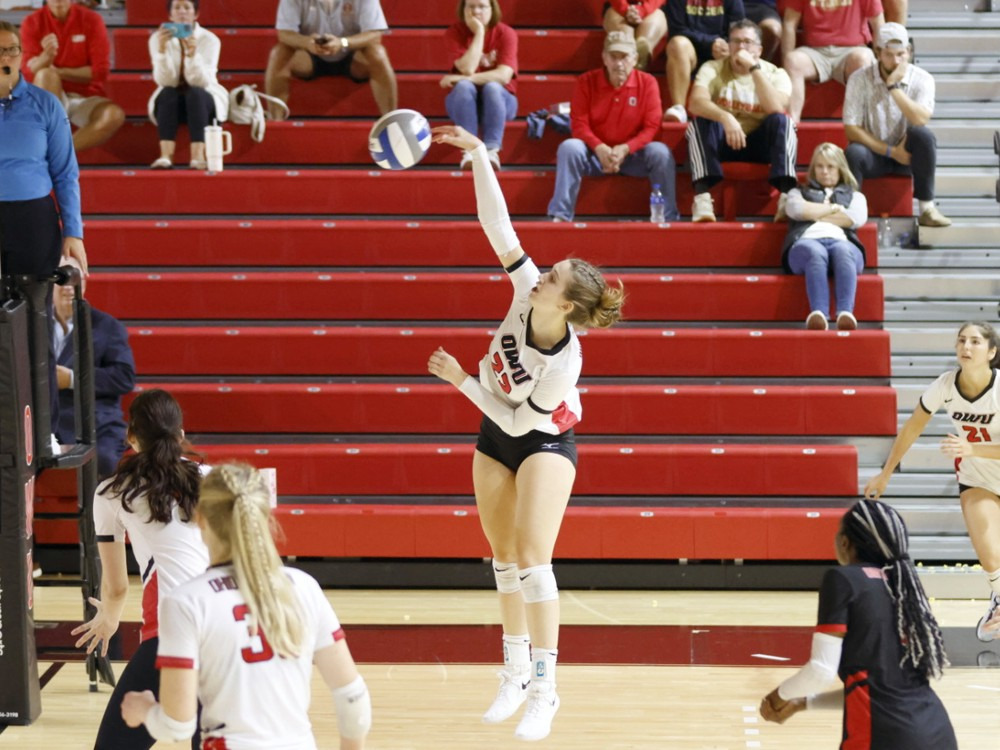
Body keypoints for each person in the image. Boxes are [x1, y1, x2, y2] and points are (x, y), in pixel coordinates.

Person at [428, 123, 625, 741]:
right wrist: (479, 155)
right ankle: (512, 669)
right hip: (496, 430)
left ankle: (546, 685)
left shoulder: (565, 362)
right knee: (504, 560)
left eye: (552, 277)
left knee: (535, 561)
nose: (541, 274)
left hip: (542, 440)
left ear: (565, 305)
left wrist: (462, 380)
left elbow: (520, 419)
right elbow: (498, 227)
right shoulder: (523, 290)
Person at [120, 463, 372, 749]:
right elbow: (353, 699)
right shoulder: (304, 587)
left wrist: (144, 710)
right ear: (263, 515)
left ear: (200, 518)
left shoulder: (185, 602)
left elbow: (178, 726)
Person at [70, 389, 209, 750]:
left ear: (131, 438)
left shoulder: (111, 492)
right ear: (180, 435)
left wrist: (109, 619)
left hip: (172, 632)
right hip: (228, 631)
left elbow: (116, 587)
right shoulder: (212, 478)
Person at [759, 500, 957, 749]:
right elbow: (877, 689)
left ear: (844, 542)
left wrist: (778, 696)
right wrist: (802, 703)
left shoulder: (842, 579)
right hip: (937, 732)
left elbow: (821, 670)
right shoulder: (903, 585)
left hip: (883, 736)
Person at [864, 321, 1000, 643]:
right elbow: (911, 428)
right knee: (989, 554)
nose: (966, 347)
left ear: (992, 352)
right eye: (961, 341)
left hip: (987, 456)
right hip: (977, 476)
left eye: (975, 342)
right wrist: (885, 474)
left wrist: (972, 447)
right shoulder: (944, 385)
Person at [547, 29, 678, 223]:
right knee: (569, 147)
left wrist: (625, 148)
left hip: (633, 155)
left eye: (624, 57)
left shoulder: (648, 83)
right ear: (604, 58)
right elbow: (579, 124)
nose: (618, 63)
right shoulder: (586, 82)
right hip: (594, 154)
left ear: (634, 59)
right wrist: (599, 148)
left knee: (660, 152)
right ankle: (560, 215)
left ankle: (667, 218)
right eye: (613, 57)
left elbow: (652, 127)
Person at [686, 19, 796, 222]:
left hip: (759, 144)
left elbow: (776, 107)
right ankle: (702, 197)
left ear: (759, 50)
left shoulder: (776, 73)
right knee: (699, 122)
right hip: (724, 140)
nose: (741, 47)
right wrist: (725, 117)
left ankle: (787, 195)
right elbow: (695, 102)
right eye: (735, 41)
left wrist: (754, 69)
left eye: (747, 42)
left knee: (783, 122)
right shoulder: (713, 67)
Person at [843, 22, 951, 228]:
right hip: (875, 153)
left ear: (909, 51)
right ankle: (851, 212)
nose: (896, 61)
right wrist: (892, 152)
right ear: (877, 52)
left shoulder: (923, 79)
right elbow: (851, 129)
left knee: (923, 136)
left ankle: (927, 208)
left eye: (901, 54)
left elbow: (921, 119)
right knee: (853, 152)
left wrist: (893, 87)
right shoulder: (859, 79)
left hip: (909, 155)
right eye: (889, 55)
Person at [53, 256, 136, 478]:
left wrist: (72, 379)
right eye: (62, 279)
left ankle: (101, 512)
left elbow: (124, 377)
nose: (69, 288)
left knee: (105, 458)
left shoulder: (107, 326)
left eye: (75, 279)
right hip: (44, 426)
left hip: (96, 426)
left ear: (85, 281)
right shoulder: (32, 325)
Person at [781, 143, 868, 332]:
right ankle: (819, 314)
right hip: (805, 242)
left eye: (830, 167)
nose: (824, 172)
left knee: (843, 250)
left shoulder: (856, 196)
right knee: (815, 251)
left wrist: (812, 212)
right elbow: (796, 209)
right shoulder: (797, 192)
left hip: (843, 242)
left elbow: (854, 218)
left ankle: (845, 313)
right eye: (819, 166)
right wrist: (834, 208)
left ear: (840, 169)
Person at [20, 0, 124, 151]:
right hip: (46, 94)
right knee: (45, 75)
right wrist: (45, 58)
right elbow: (28, 72)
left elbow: (100, 71)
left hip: (83, 96)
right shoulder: (32, 22)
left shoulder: (91, 20)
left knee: (114, 115)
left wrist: (59, 71)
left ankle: (59, 152)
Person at [265, 0, 397, 119]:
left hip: (352, 54)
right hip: (309, 55)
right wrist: (306, 42)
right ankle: (275, 122)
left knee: (378, 53)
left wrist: (343, 43)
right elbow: (284, 34)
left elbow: (375, 35)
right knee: (279, 53)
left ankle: (391, 122)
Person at [147, 0, 230, 170]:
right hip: (172, 101)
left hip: (204, 100)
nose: (182, 12)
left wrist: (192, 55)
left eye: (187, 7)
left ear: (196, 13)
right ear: (170, 15)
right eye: (177, 8)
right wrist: (162, 52)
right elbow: (165, 81)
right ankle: (165, 156)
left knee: (196, 93)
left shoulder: (210, 40)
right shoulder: (158, 38)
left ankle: (198, 156)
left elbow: (202, 82)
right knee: (168, 92)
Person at [442, 0, 518, 171]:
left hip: (501, 102)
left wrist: (461, 78)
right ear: (463, 9)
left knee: (492, 87)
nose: (476, 11)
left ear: (492, 9)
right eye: (471, 6)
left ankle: (491, 150)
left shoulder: (506, 33)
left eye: (482, 6)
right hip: (464, 103)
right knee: (463, 88)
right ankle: (470, 149)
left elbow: (504, 76)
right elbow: (467, 68)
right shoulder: (455, 33)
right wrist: (480, 34)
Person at [781, 0, 882, 125]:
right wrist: (784, 69)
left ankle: (863, 126)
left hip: (853, 49)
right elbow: (789, 23)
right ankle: (791, 126)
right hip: (815, 51)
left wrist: (882, 63)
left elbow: (878, 24)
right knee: (792, 60)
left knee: (863, 59)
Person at [661, 0, 745, 123]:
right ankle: (679, 108)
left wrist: (725, 46)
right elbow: (676, 29)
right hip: (690, 52)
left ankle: (737, 108)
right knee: (677, 43)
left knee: (740, 47)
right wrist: (709, 43)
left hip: (721, 51)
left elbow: (739, 28)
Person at [602, 0, 667, 70]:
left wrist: (641, 11)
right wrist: (626, 9)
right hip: (617, 8)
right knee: (624, 37)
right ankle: (633, 57)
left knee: (656, 16)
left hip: (653, 8)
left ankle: (640, 52)